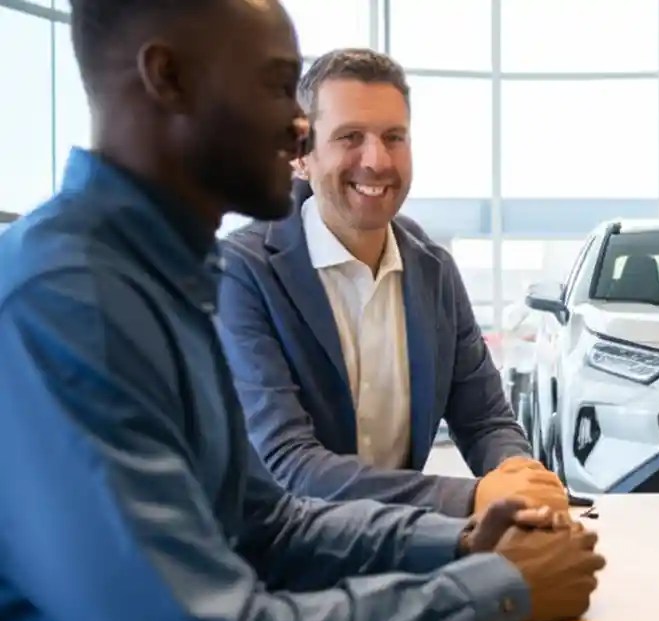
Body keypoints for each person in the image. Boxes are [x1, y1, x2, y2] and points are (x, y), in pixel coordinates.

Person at [0, 2, 604, 621]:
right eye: (277, 85)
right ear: (168, 77)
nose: (297, 124)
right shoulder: (66, 304)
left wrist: (465, 542)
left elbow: (269, 524)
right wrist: (491, 583)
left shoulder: (160, 279)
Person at [215, 48, 564, 517]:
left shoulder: (433, 270)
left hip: (403, 551)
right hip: (280, 560)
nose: (377, 160)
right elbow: (288, 465)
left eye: (393, 137)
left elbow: (484, 421)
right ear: (301, 156)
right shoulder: (243, 271)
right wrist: (471, 498)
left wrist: (520, 479)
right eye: (350, 137)